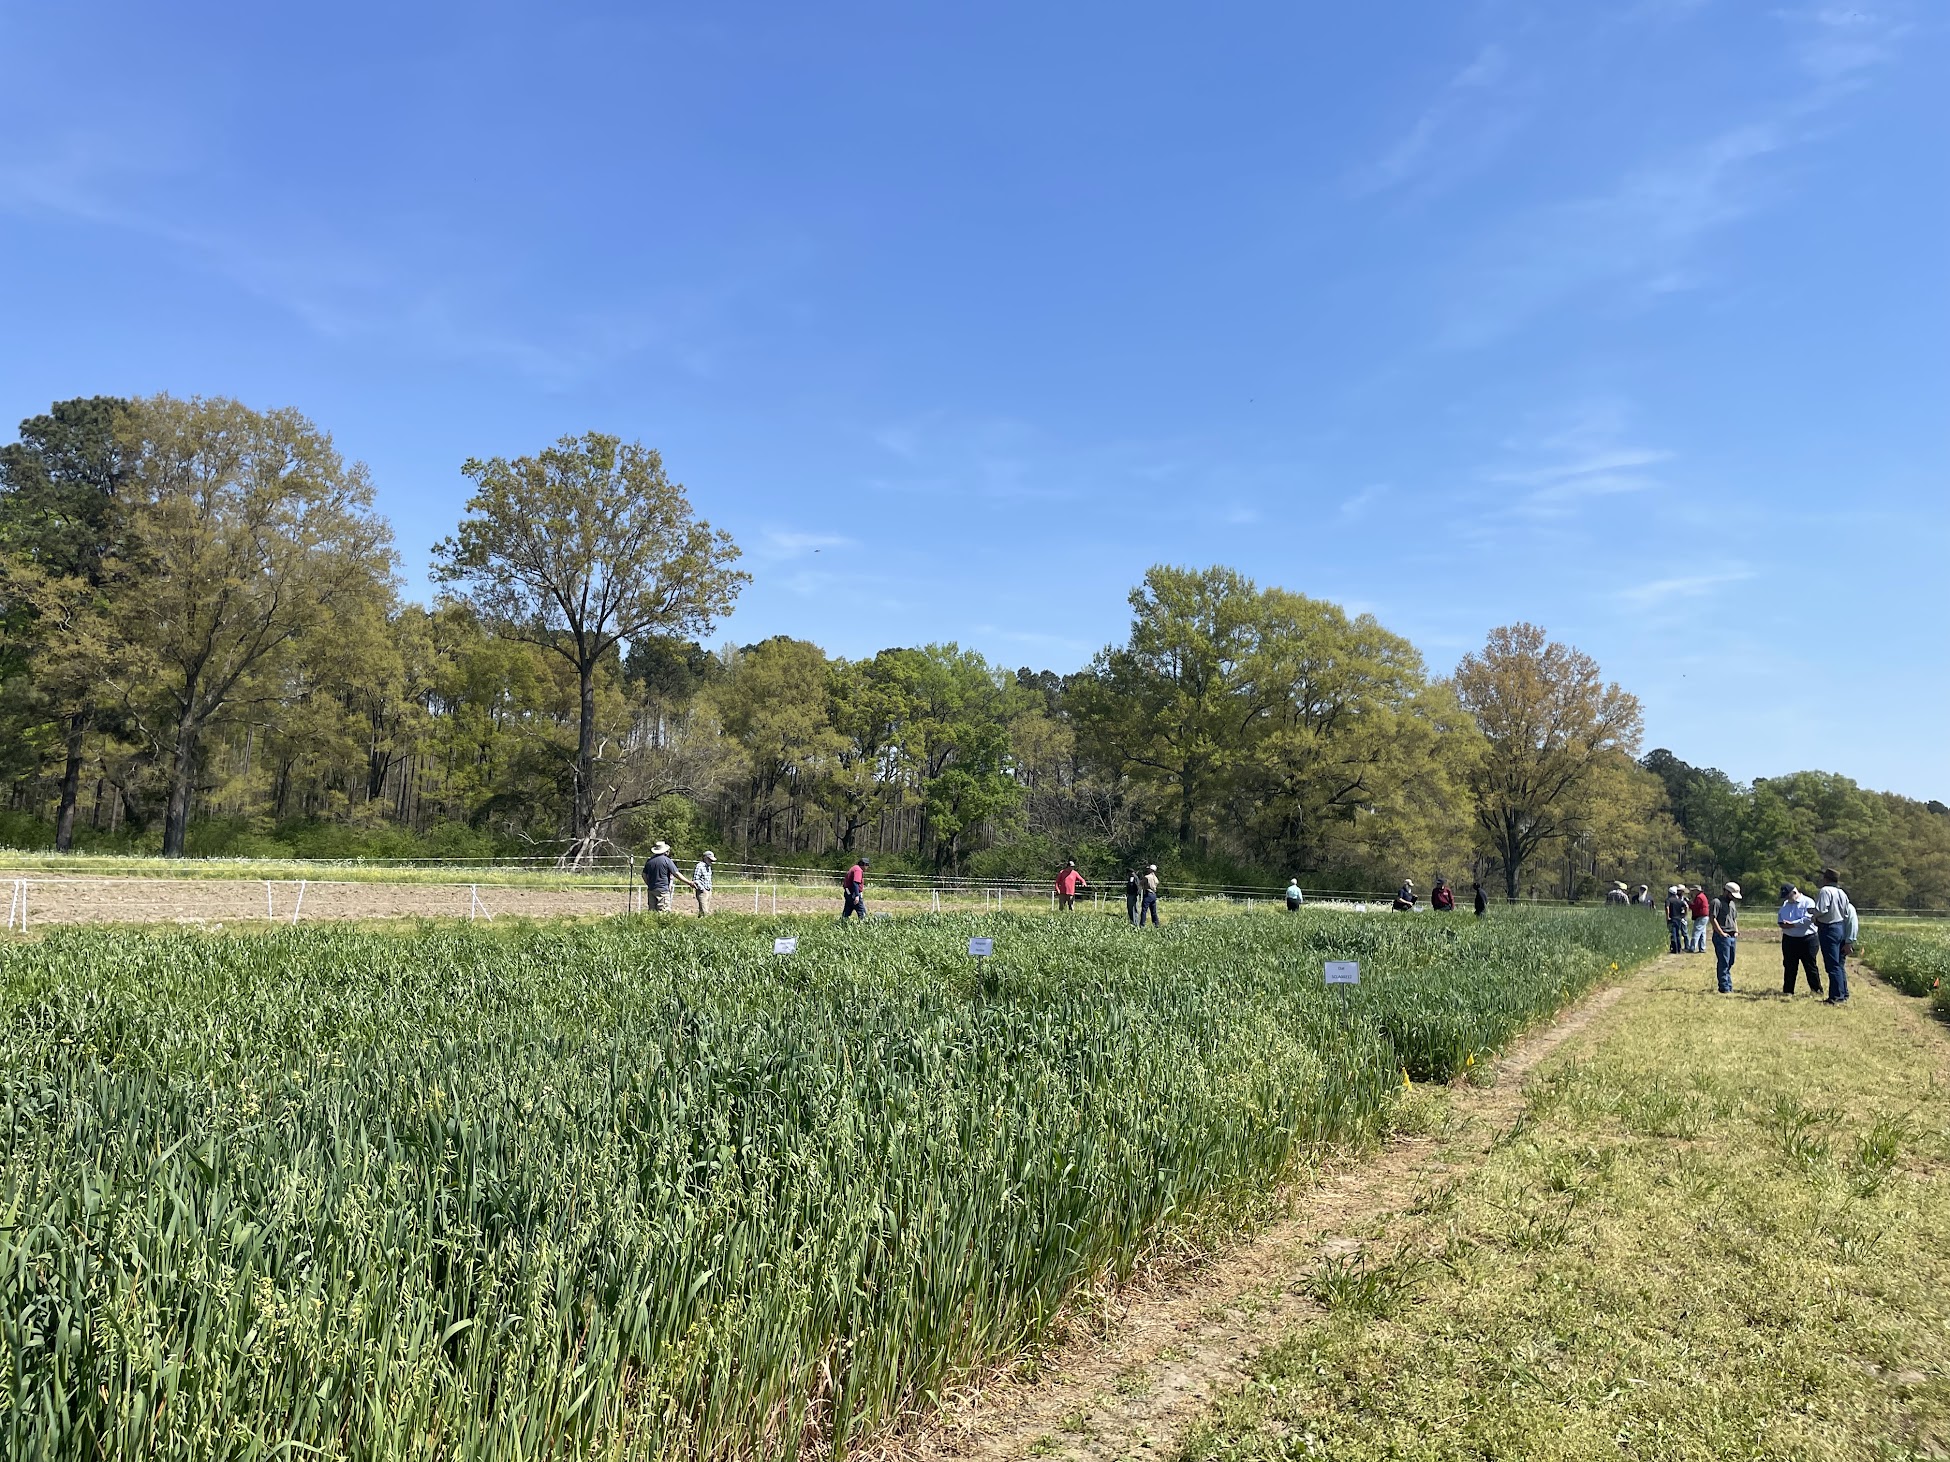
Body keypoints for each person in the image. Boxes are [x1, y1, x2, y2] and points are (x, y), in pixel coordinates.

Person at [1813, 868, 1855, 1005]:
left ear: (1826, 879)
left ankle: (1835, 996)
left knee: (1832, 965)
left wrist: (1813, 916)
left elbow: (1821, 909)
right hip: (1840, 927)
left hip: (1828, 928)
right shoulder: (1842, 893)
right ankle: (1843, 993)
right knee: (1839, 963)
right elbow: (1846, 911)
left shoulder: (1825, 891)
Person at [1777, 882, 1822, 997]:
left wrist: (1793, 924)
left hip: (1807, 939)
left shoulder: (1808, 902)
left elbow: (1809, 919)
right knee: (1789, 965)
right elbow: (1780, 916)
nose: (1787, 898)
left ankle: (1816, 990)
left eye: (1788, 896)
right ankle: (1788, 990)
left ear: (1794, 892)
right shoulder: (1786, 904)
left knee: (1810, 966)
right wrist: (1782, 924)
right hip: (1789, 939)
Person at [642, 840, 695, 913]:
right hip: (663, 890)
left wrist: (648, 883)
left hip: (651, 889)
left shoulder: (649, 861)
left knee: (652, 911)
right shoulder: (667, 860)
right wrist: (689, 882)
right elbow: (676, 874)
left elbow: (644, 875)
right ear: (665, 851)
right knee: (663, 911)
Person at [1710, 880, 1741, 993]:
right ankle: (1724, 987)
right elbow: (1712, 919)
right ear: (1726, 892)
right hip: (1722, 936)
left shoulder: (1732, 904)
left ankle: (1728, 985)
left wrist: (1736, 931)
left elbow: (1734, 918)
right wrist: (1721, 933)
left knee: (1730, 961)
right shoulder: (1716, 902)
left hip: (1732, 936)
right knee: (1724, 961)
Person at [841, 856, 870, 921]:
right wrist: (857, 896)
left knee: (847, 912)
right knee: (862, 913)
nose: (867, 867)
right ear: (864, 864)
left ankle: (842, 924)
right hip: (853, 894)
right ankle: (864, 926)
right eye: (867, 865)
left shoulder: (854, 868)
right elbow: (855, 883)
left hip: (848, 893)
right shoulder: (858, 870)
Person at [1664, 884, 1689, 954]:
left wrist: (1667, 917)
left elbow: (1667, 908)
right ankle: (1679, 948)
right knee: (1677, 934)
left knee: (1673, 934)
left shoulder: (1668, 900)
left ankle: (1674, 949)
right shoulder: (1678, 900)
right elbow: (1686, 906)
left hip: (1672, 918)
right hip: (1678, 919)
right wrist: (1684, 915)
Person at [691, 850, 717, 916]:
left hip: (708, 890)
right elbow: (695, 879)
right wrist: (702, 889)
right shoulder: (699, 866)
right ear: (705, 858)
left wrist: (710, 889)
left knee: (704, 910)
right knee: (704, 911)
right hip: (702, 891)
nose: (711, 861)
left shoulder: (708, 867)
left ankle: (700, 923)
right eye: (710, 859)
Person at [1689, 885, 1711, 954]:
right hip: (1705, 916)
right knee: (1702, 933)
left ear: (1697, 890)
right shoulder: (1703, 896)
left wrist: (1689, 904)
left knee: (1696, 932)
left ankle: (1692, 948)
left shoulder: (1699, 897)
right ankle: (1702, 948)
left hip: (1701, 916)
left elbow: (1695, 907)